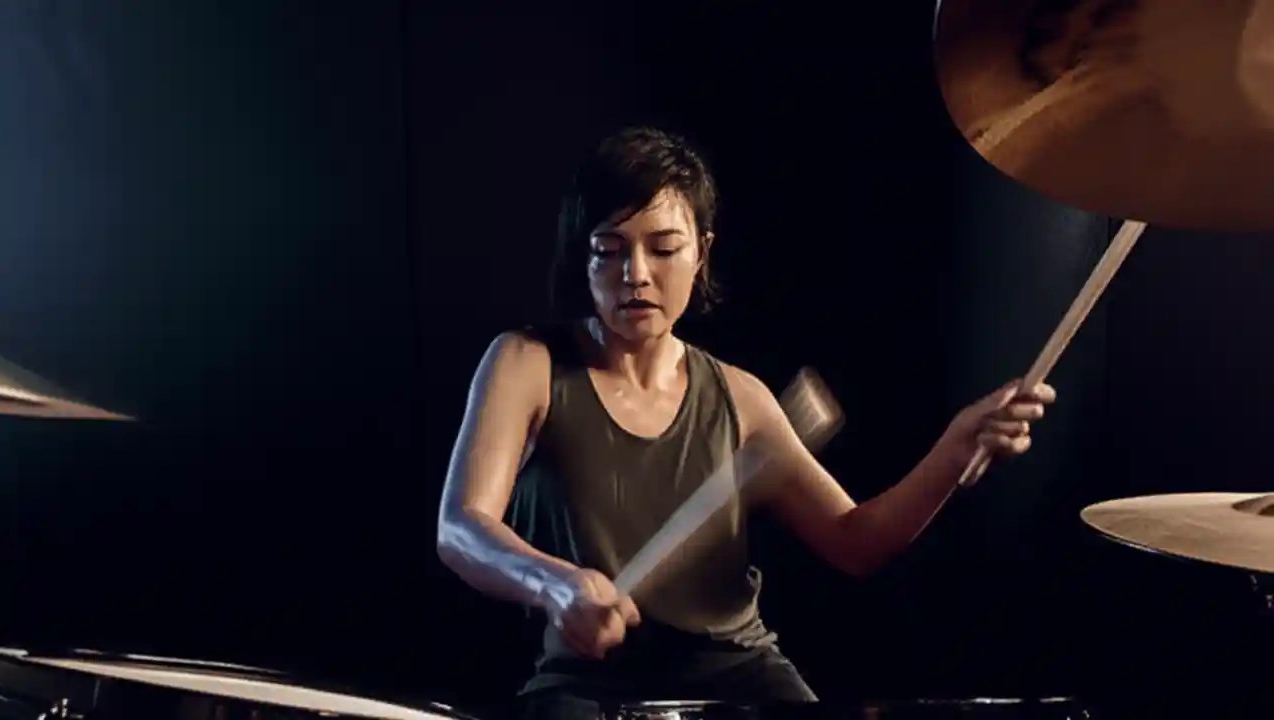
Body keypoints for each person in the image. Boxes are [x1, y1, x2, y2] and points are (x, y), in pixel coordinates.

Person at [435, 126, 1056, 718]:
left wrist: (956, 448)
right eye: (609, 250)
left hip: (737, 674)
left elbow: (856, 542)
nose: (637, 274)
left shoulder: (741, 397)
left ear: (701, 252)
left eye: (664, 247)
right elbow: (462, 526)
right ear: (583, 259)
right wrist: (554, 585)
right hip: (585, 685)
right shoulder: (527, 362)